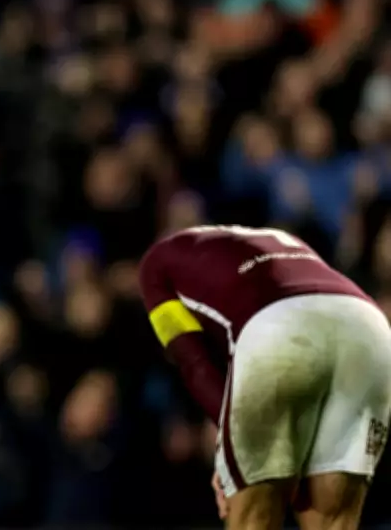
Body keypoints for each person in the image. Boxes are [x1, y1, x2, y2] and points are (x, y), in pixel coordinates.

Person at [138, 224, 391, 530]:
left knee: (254, 519)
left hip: (278, 327)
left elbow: (195, 363)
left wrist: (229, 448)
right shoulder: (280, 239)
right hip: (370, 327)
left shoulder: (154, 267)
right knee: (334, 520)